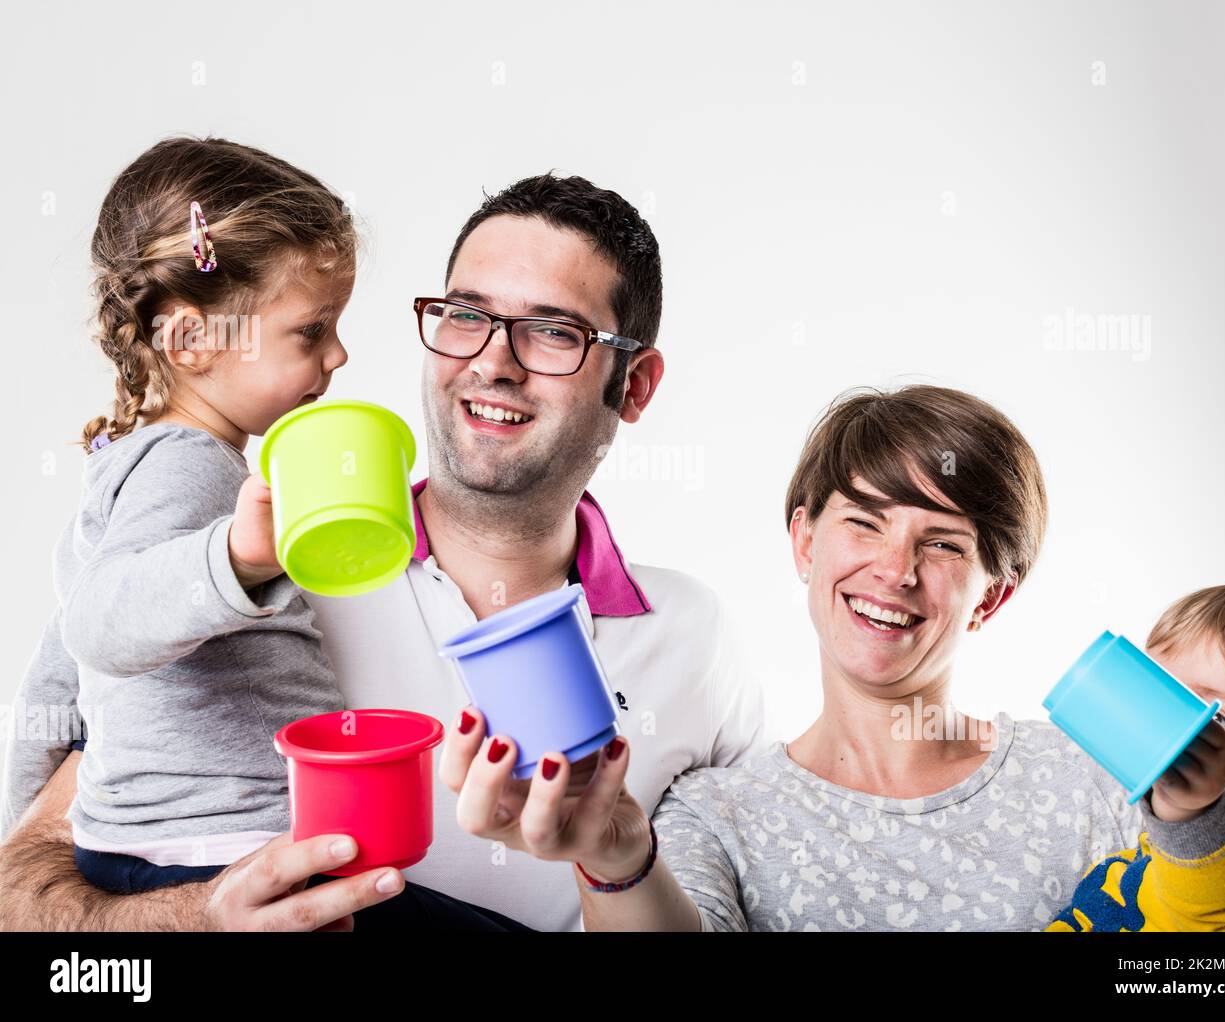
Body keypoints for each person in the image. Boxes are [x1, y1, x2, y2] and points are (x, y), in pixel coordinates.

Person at [0, 172, 769, 931]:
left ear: (634, 385)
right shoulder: (266, 565)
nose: (494, 361)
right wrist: (200, 922)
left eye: (553, 331)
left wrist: (616, 859)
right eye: (467, 315)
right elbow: (22, 889)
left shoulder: (697, 642)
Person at [0, 136, 527, 931]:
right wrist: (238, 558)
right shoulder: (189, 465)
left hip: (140, 852)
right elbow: (98, 628)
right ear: (190, 342)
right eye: (311, 331)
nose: (339, 354)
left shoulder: (132, 467)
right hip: (215, 854)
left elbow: (56, 676)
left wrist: (35, 828)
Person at [439, 384, 1149, 931]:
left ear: (991, 598)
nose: (894, 569)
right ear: (805, 544)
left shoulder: (1094, 780)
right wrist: (618, 857)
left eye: (943, 544)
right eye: (865, 523)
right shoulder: (715, 816)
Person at [1048, 582, 1225, 931]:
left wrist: (1198, 813)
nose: (1171, 735)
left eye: (1215, 718)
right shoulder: (1143, 853)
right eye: (1161, 702)